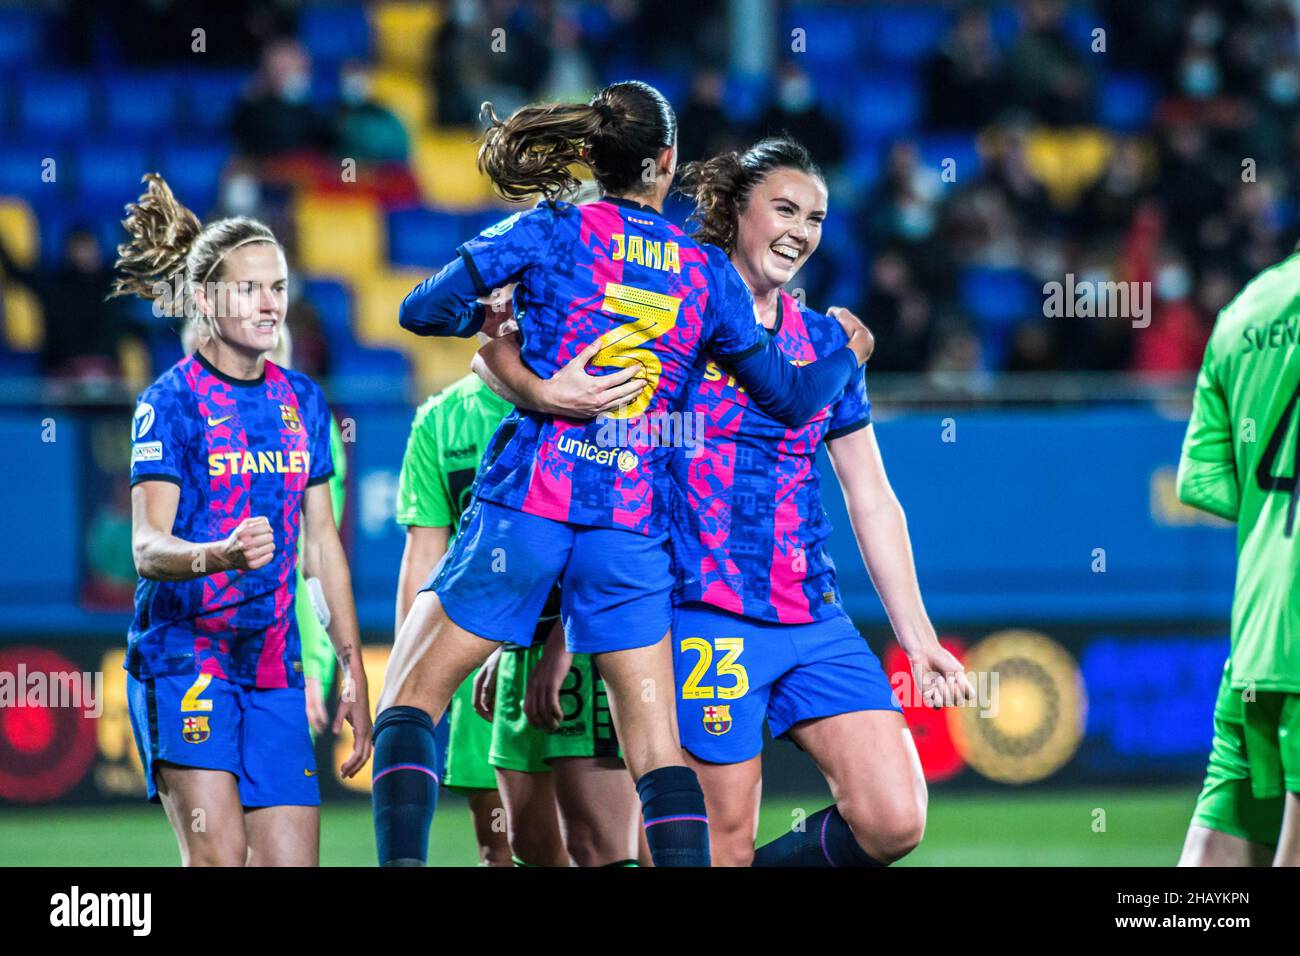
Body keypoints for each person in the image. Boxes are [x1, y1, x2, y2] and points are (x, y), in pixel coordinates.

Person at [371, 80, 873, 868]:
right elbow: (789, 398)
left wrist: (515, 347)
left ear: (592, 155)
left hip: (533, 500)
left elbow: (421, 310)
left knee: (408, 700)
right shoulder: (704, 272)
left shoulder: (551, 228)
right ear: (667, 164)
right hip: (629, 526)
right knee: (655, 752)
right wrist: (849, 351)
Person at [479, 137, 972, 866]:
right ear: (736, 213)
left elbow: (871, 495)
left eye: (815, 217)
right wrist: (550, 628)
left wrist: (919, 637)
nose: (801, 231)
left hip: (811, 612)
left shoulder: (824, 342)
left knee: (894, 816)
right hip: (701, 613)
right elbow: (590, 466)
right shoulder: (674, 321)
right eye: (784, 209)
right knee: (721, 846)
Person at [117, 173, 371, 866]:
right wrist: (218, 555)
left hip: (274, 666)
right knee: (220, 860)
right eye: (251, 288)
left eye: (279, 288)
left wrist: (351, 669)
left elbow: (321, 546)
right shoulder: (170, 404)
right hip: (185, 659)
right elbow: (146, 546)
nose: (270, 305)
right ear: (204, 298)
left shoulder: (305, 401)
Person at [1176, 248, 1300, 867]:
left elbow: (1200, 480)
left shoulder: (1242, 313)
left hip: (1259, 622)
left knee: (1227, 826)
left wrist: (1273, 509)